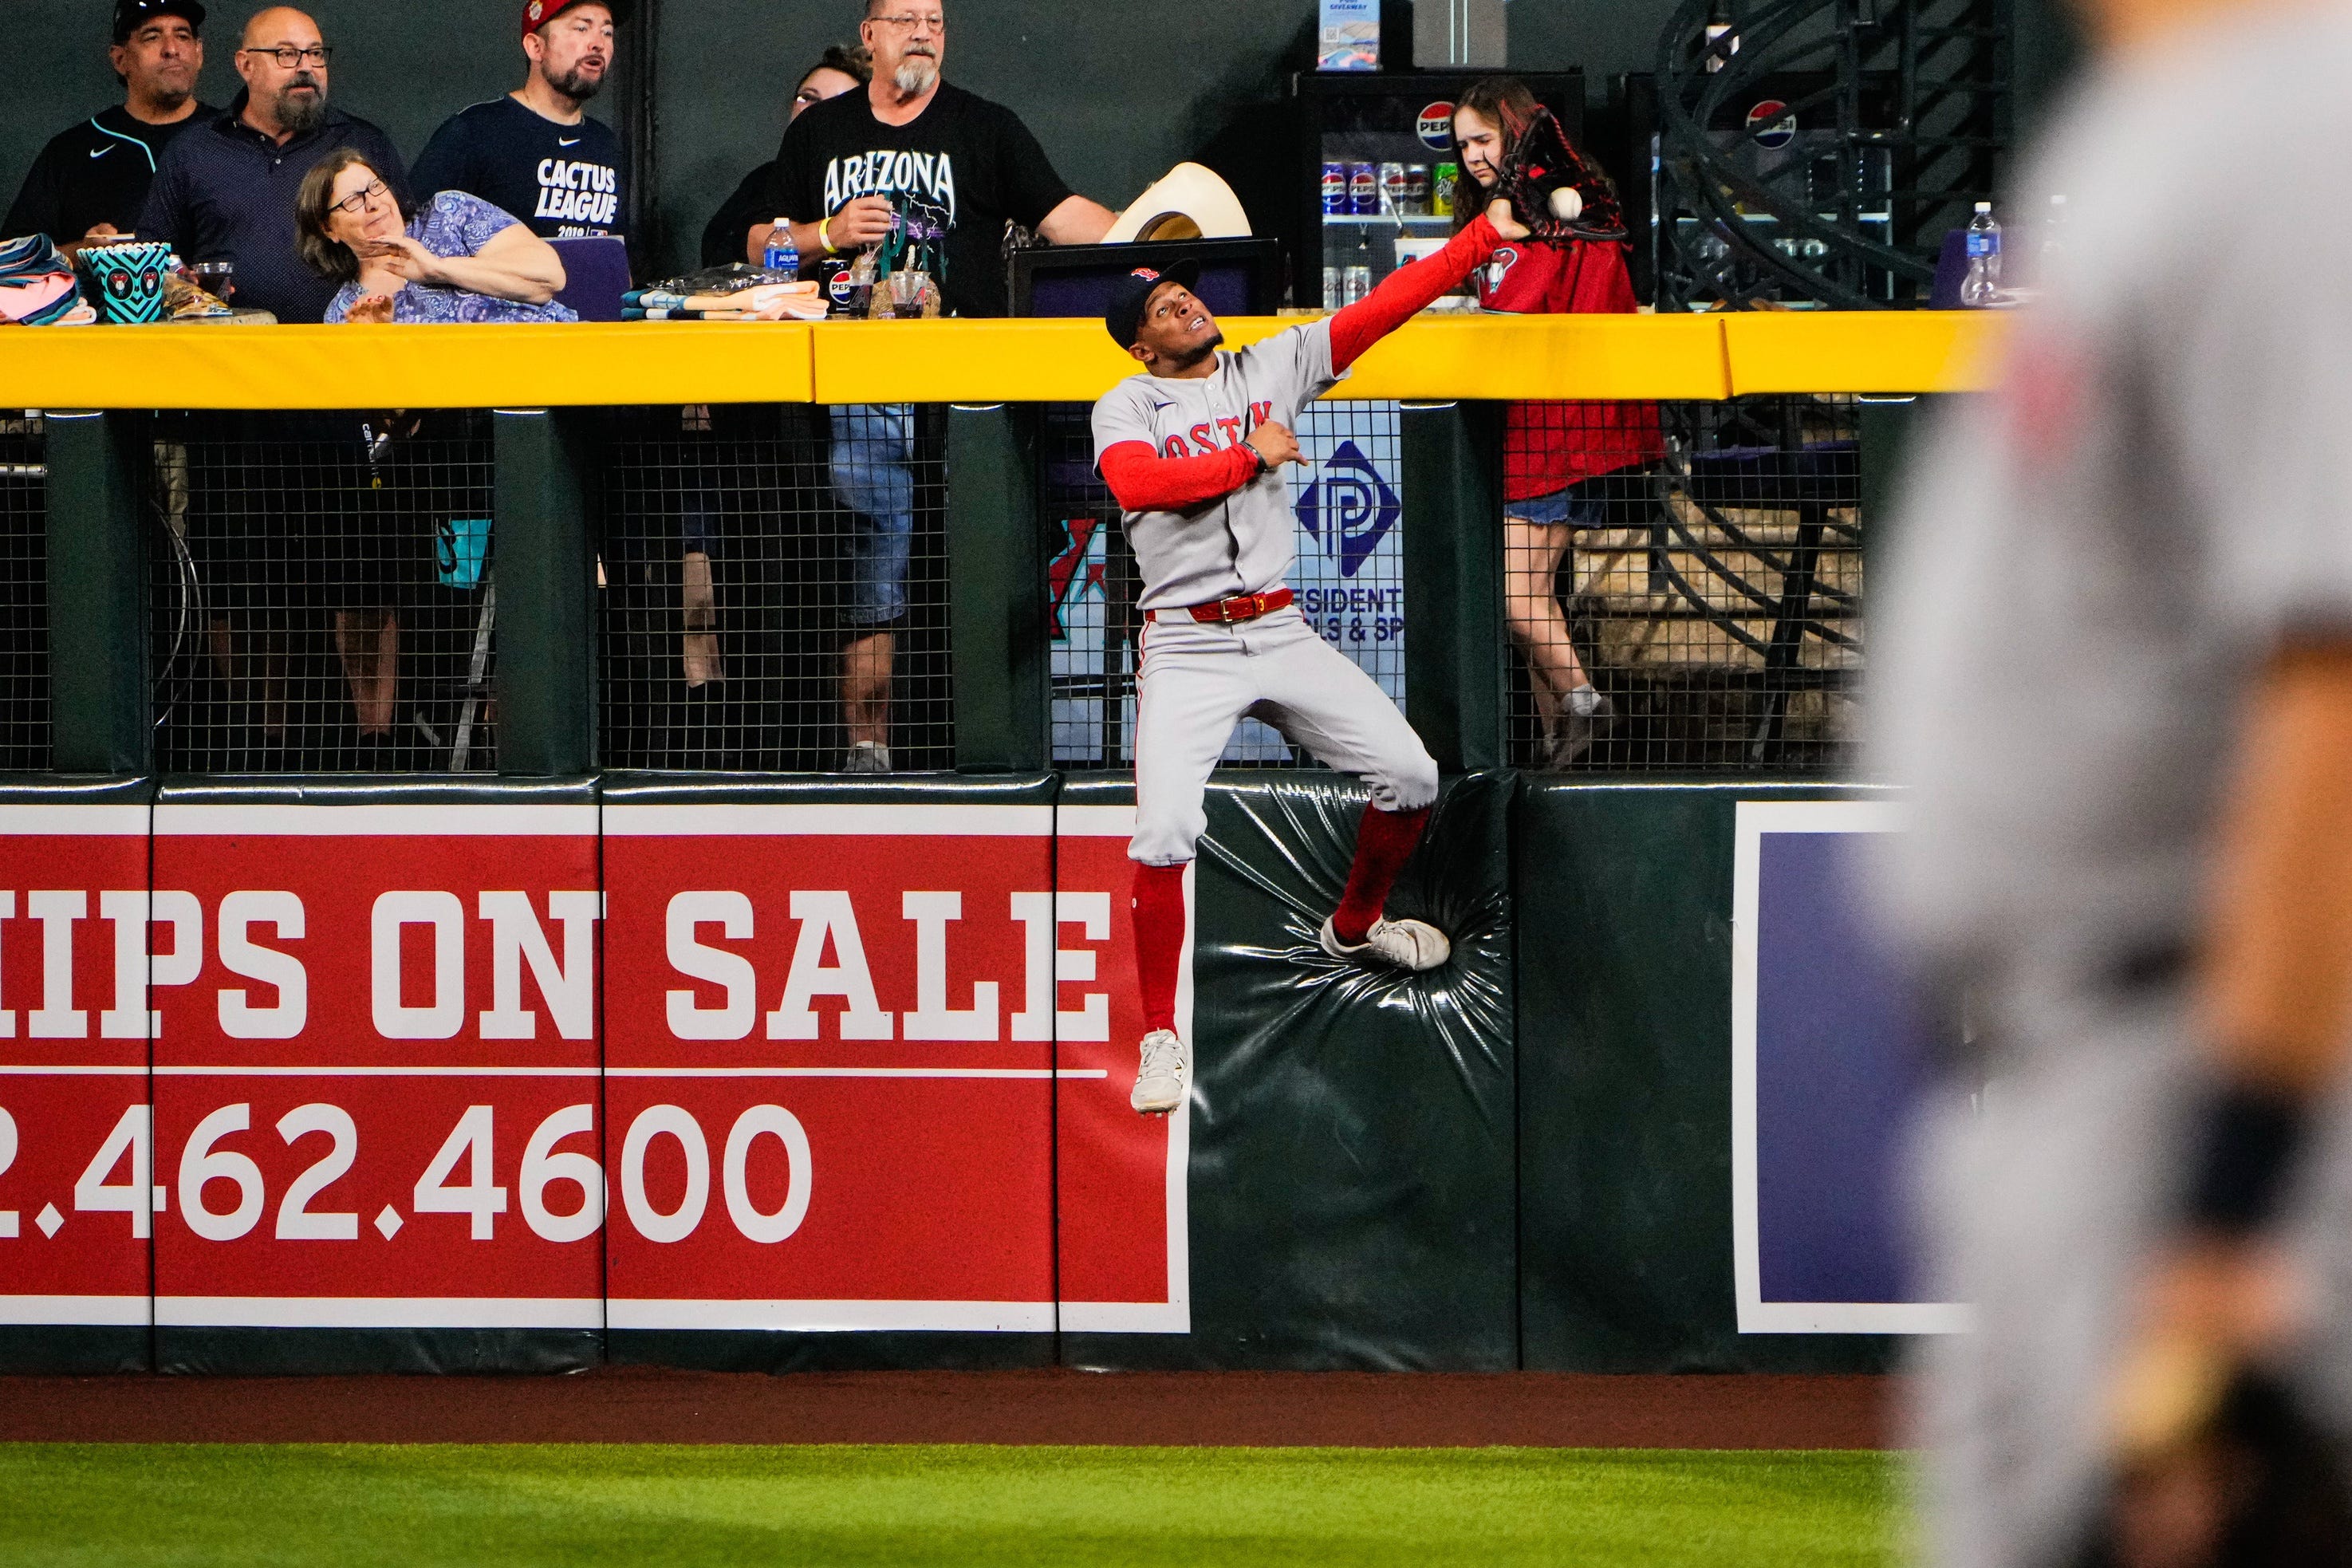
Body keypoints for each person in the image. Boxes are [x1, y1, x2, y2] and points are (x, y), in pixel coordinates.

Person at [1875, 0, 2352, 1558]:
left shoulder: (2298, 128)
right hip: (2065, 1075)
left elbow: (2326, 679)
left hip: (2188, 1066)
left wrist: (2228, 1198)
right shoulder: (2153, 126)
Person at [1095, 199, 1531, 1116]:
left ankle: (1354, 927)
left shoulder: (1272, 363)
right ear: (1142, 346)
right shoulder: (1127, 402)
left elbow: (1386, 305)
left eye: (1185, 297)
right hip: (1186, 640)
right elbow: (1142, 482)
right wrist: (1245, 460)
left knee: (1411, 773)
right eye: (1164, 311)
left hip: (1280, 628)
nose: (1185, 310)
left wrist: (1485, 238)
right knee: (1165, 829)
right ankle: (1160, 1038)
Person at [756, 0, 1117, 774]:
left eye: (935, 19)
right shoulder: (822, 134)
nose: (923, 31)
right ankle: (867, 756)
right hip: (863, 387)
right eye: (905, 18)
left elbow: (1067, 219)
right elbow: (758, 240)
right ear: (871, 37)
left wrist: (1163, 236)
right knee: (872, 580)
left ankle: (993, 755)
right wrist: (828, 234)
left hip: (971, 393)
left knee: (979, 568)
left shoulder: (985, 128)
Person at [1448, 77, 1661, 768]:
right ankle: (1559, 753)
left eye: (1483, 139)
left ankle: (1584, 704)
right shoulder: (1516, 209)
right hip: (1542, 428)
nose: (1474, 157)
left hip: (1551, 431)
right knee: (1532, 602)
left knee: (1512, 598)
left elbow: (1515, 313)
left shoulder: (1556, 212)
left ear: (1516, 131)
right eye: (1463, 147)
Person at [137, 6, 408, 325]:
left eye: (316, 54)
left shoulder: (363, 144)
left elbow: (411, 246)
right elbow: (152, 260)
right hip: (225, 355)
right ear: (246, 65)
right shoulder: (193, 149)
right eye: (287, 54)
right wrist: (184, 287)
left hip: (345, 351)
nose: (306, 67)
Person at [3, 0, 215, 258]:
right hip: (106, 298)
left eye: (182, 36)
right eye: (152, 37)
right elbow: (11, 261)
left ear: (199, 52)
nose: (171, 49)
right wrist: (80, 253)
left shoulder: (236, 137)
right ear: (120, 59)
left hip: (224, 299)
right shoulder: (72, 151)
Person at [410, 0, 628, 244]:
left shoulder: (605, 144)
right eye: (581, 28)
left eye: (607, 33)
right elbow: (410, 239)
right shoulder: (474, 131)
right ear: (536, 47)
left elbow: (621, 258)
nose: (598, 43)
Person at [297, 150, 572, 325]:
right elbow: (399, 416)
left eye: (375, 187)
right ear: (328, 229)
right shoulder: (344, 314)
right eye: (353, 201)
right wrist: (382, 344)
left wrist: (438, 269)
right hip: (461, 407)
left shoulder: (448, 212)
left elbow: (549, 277)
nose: (373, 203)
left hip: (549, 364)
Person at [701, 45, 869, 269]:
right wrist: (831, 233)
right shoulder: (766, 179)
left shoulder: (868, 182)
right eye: (808, 98)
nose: (815, 112)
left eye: (836, 104)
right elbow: (723, 252)